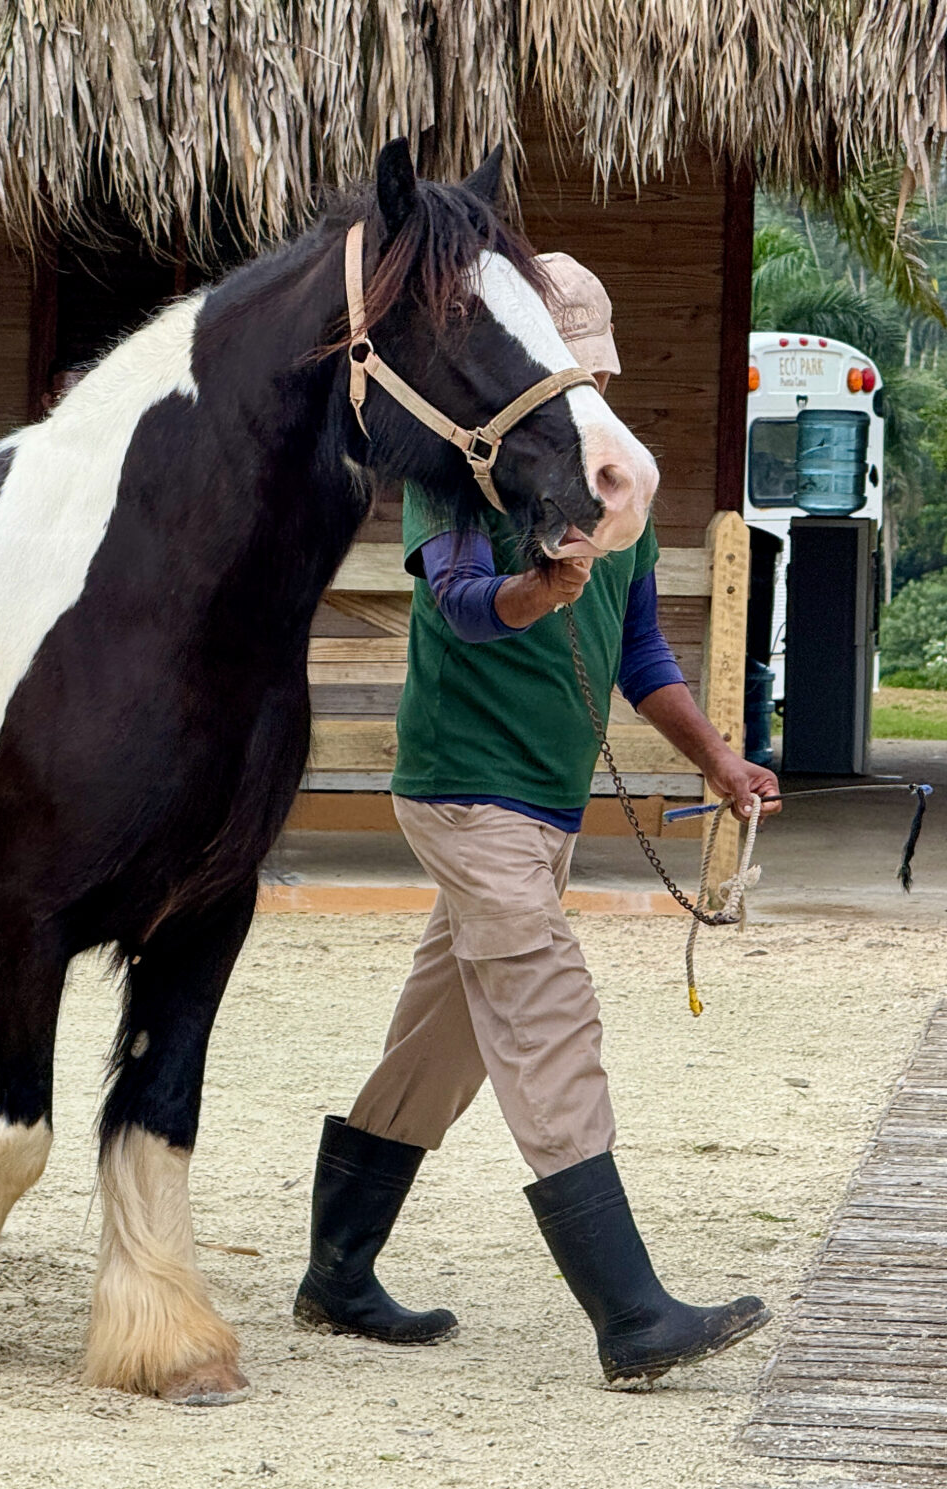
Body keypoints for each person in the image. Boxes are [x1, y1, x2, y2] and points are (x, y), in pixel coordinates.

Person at [293, 254, 783, 1386]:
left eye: (594, 374)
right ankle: (631, 1317)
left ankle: (335, 1273)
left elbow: (639, 650)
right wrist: (536, 590)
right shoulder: (454, 479)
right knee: (545, 1010)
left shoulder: (617, 485)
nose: (586, 394)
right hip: (468, 795)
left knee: (441, 1041)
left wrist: (715, 759)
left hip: (541, 804)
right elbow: (462, 607)